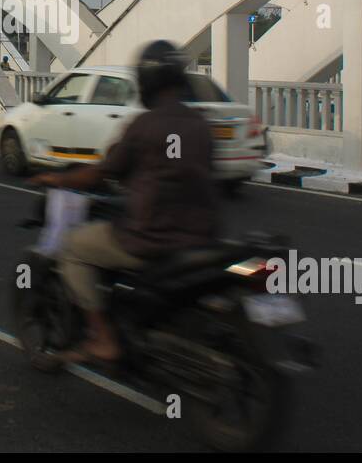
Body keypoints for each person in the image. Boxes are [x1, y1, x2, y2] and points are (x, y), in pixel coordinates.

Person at [28, 39, 219, 364]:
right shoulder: (201, 124)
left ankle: (103, 338)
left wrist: (56, 179)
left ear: (147, 81)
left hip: (151, 237)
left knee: (74, 248)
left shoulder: (145, 125)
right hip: (201, 236)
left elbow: (101, 173)